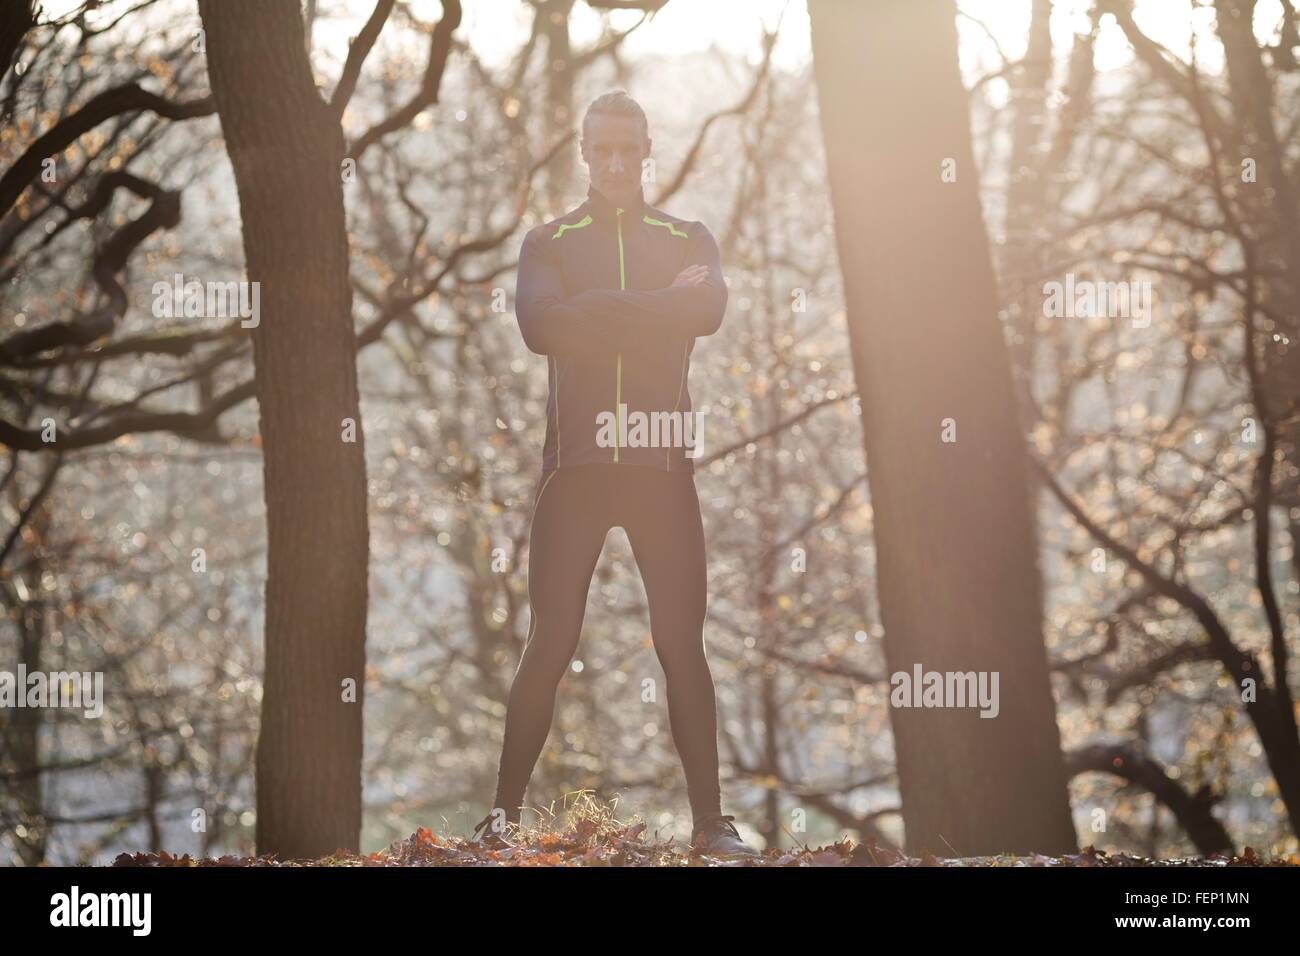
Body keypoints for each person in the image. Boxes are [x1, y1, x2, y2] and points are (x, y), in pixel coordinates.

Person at [471, 90, 758, 858]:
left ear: (647, 149)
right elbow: (540, 326)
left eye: (630, 148)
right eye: (603, 149)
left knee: (680, 645)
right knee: (551, 642)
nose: (618, 162)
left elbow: (708, 311)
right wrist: (655, 306)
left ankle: (710, 825)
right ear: (585, 152)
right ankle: (501, 820)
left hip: (662, 464)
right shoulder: (548, 241)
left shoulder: (689, 235)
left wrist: (595, 307)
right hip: (577, 466)